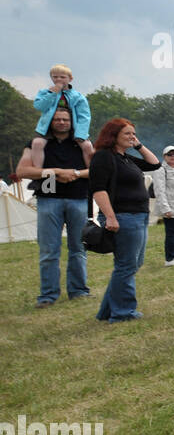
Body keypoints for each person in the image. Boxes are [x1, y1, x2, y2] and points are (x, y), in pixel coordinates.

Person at [14, 107, 91, 307]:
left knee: (79, 248)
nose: (62, 122)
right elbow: (22, 170)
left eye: (65, 119)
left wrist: (73, 173)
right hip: (49, 199)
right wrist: (56, 172)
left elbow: (97, 170)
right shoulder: (37, 144)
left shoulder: (82, 144)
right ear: (50, 121)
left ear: (72, 122)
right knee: (49, 250)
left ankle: (79, 291)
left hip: (78, 199)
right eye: (57, 119)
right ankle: (48, 295)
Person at [89, 118, 161, 323]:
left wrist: (138, 145)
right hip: (123, 216)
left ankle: (106, 312)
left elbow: (154, 164)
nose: (132, 137)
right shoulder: (103, 157)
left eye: (133, 134)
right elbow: (98, 189)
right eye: (127, 134)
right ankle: (123, 313)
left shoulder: (126, 158)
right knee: (126, 266)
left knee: (133, 264)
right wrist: (110, 216)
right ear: (113, 136)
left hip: (138, 216)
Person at [30, 65, 93, 170]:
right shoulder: (45, 93)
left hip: (73, 127)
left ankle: (92, 171)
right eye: (55, 77)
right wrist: (52, 93)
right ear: (51, 78)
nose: (59, 79)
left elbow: (84, 116)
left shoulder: (78, 97)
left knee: (87, 146)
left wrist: (81, 134)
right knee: (37, 143)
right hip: (48, 127)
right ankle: (37, 171)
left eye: (62, 77)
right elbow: (40, 106)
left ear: (70, 79)